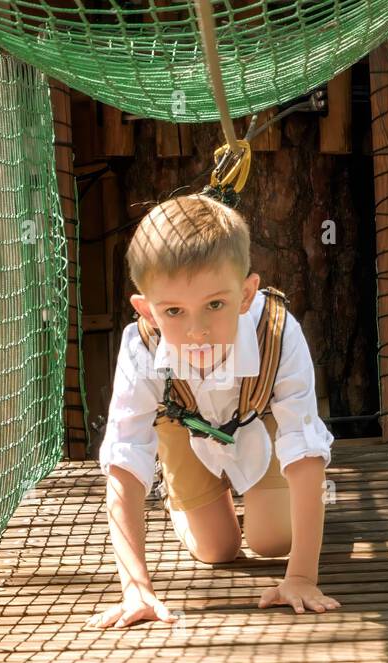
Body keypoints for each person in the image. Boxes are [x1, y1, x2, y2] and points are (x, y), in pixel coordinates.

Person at [89, 193, 338, 629]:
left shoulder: (278, 333)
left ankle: (264, 507)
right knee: (217, 550)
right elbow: (125, 458)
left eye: (215, 305)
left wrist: (301, 577)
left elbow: (304, 445)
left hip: (259, 417)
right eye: (173, 311)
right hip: (182, 423)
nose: (197, 329)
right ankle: (184, 495)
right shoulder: (141, 347)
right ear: (147, 311)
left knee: (273, 540)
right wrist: (135, 586)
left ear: (245, 294)